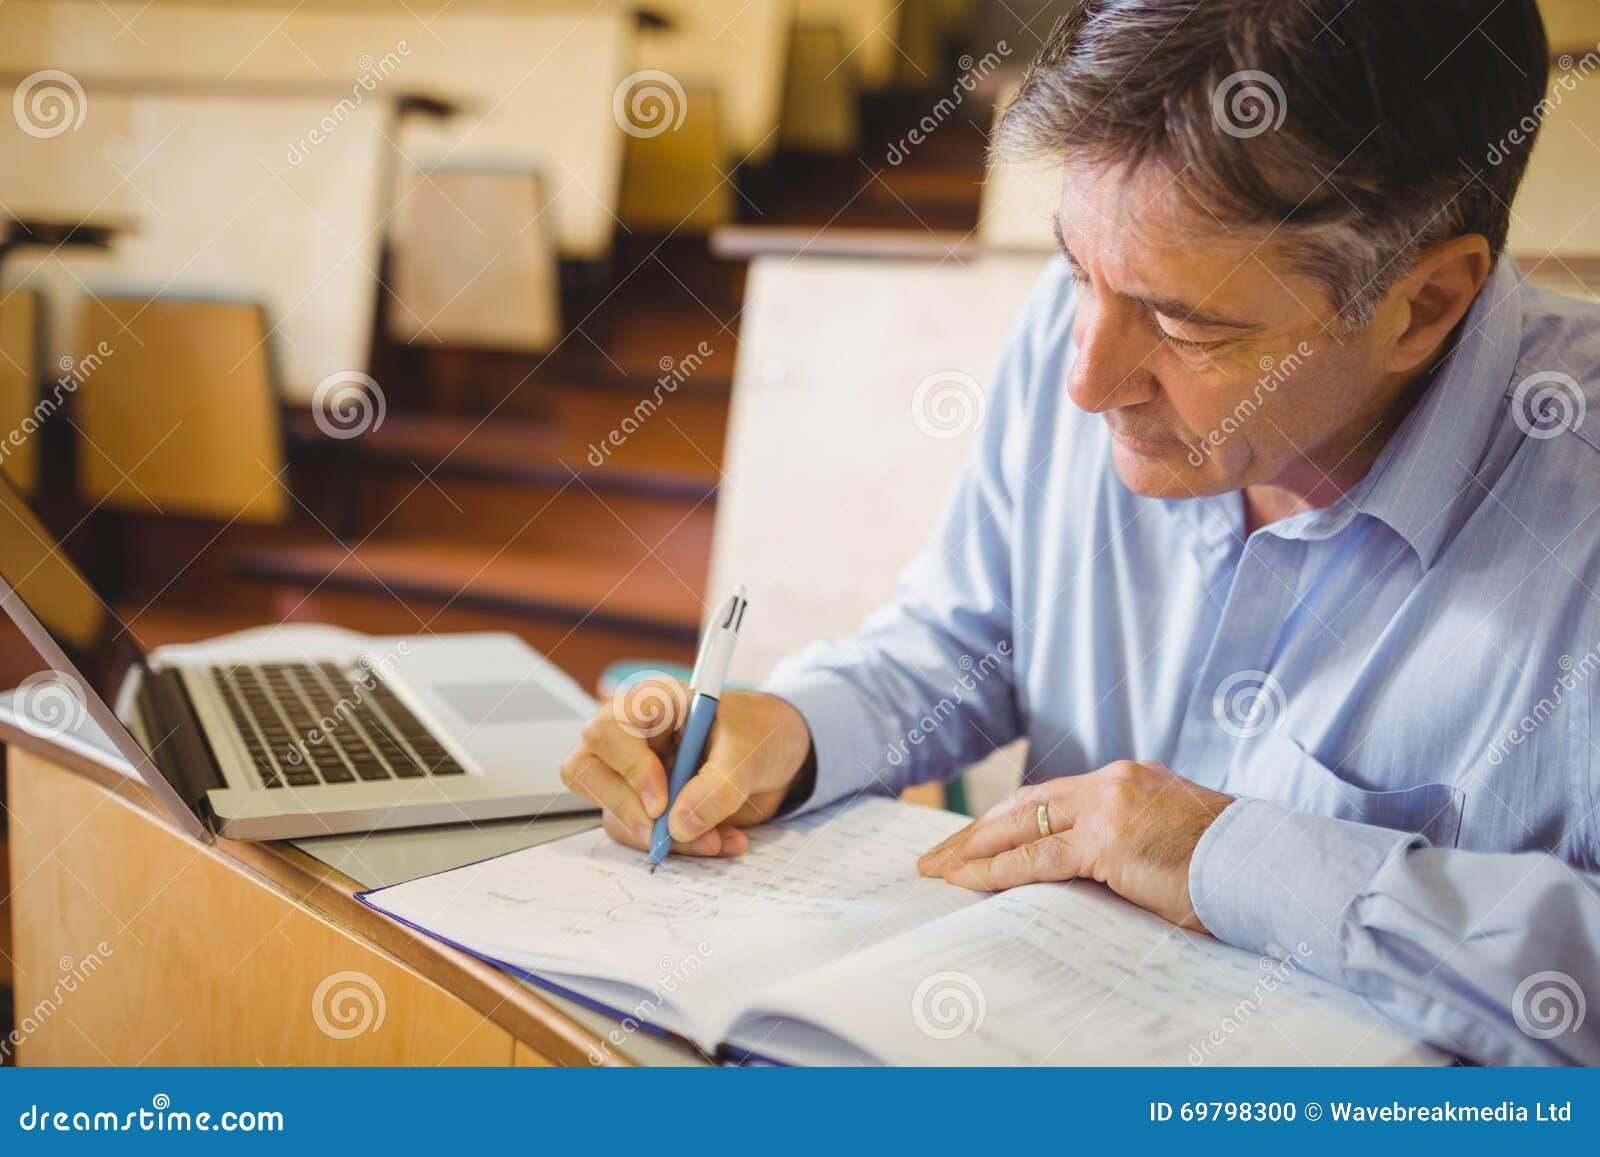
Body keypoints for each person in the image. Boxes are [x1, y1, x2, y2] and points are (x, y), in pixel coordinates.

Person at [561, 0, 1600, 1065]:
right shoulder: (1094, 323)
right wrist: (793, 726)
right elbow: (967, 640)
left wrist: (1227, 854)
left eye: (1188, 322)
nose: (1085, 379)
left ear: (1421, 304)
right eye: (1073, 270)